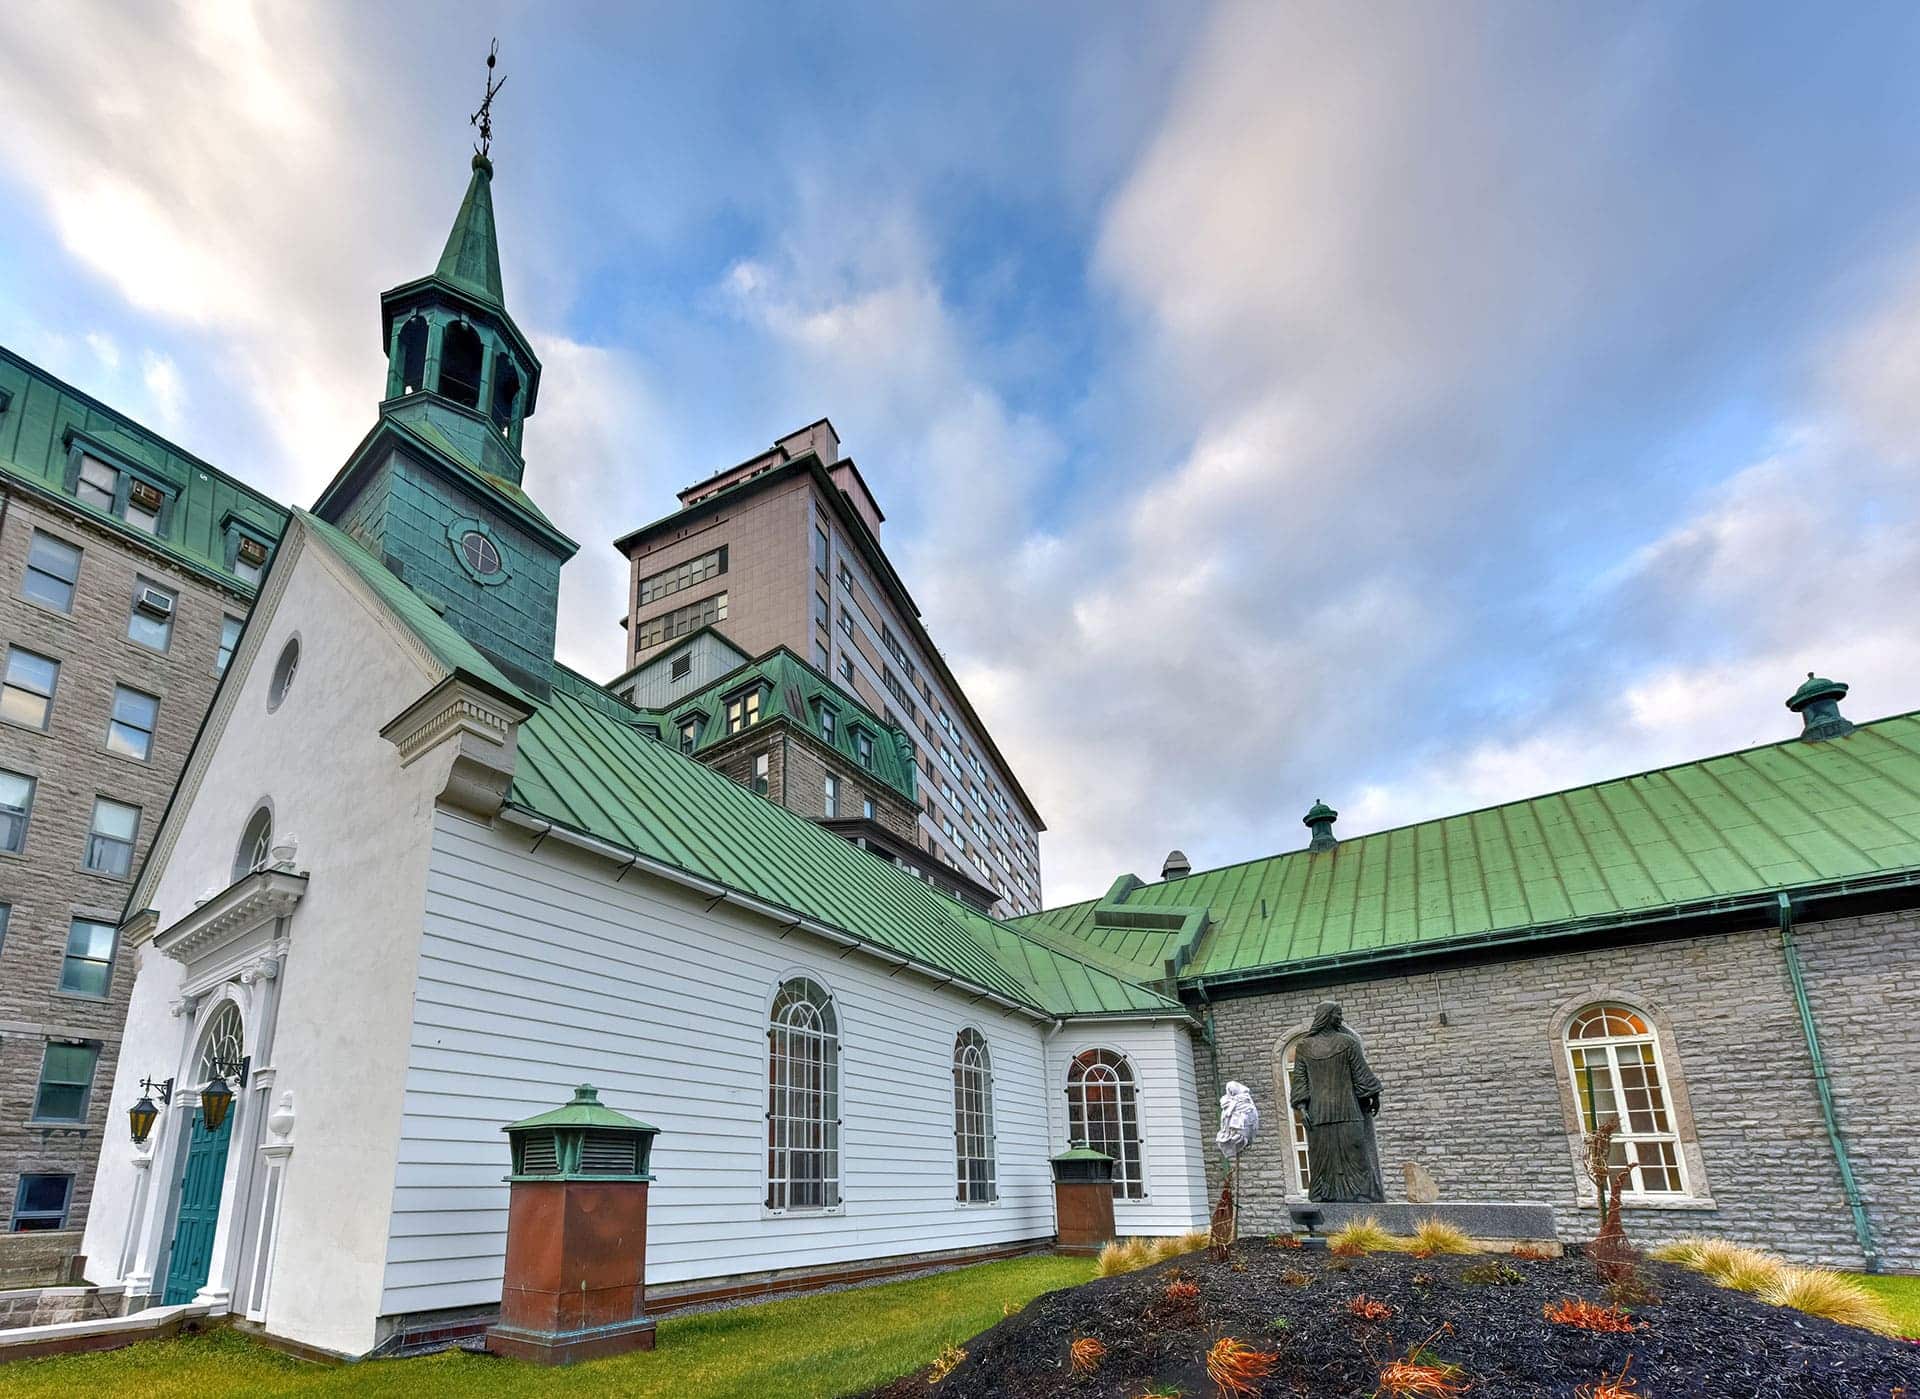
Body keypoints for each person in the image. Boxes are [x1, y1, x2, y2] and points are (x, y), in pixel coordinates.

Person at [1288, 1001, 1385, 1202]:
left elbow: (1360, 1073)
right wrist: (1301, 1106)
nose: (1340, 1018)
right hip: (1318, 1113)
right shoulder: (1304, 1047)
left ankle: (1362, 1195)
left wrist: (1373, 1095)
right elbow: (1300, 1079)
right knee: (1321, 1157)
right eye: (1337, 1014)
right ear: (1327, 1016)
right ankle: (1323, 1194)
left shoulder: (1347, 1043)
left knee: (1356, 1152)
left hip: (1348, 1109)